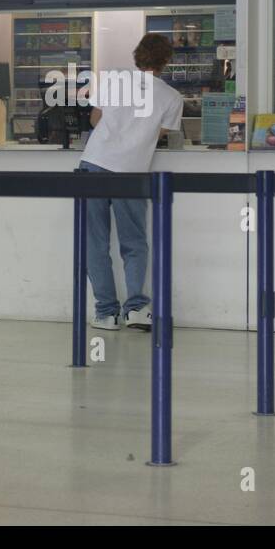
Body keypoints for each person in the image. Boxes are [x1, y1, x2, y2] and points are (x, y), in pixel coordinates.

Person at [79, 33, 183, 331]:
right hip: (131, 171)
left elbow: (95, 120)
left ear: (137, 55)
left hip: (95, 164)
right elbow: (161, 134)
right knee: (134, 242)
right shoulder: (172, 97)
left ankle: (106, 313)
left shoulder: (114, 81)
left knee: (95, 242)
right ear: (167, 60)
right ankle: (136, 308)